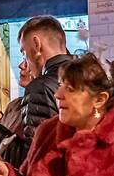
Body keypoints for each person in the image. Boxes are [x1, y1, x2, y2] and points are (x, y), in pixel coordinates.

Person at [17, 15, 75, 153]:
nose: (23, 63)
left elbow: (34, 156)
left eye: (24, 53)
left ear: (37, 44)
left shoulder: (40, 87)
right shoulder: (92, 79)